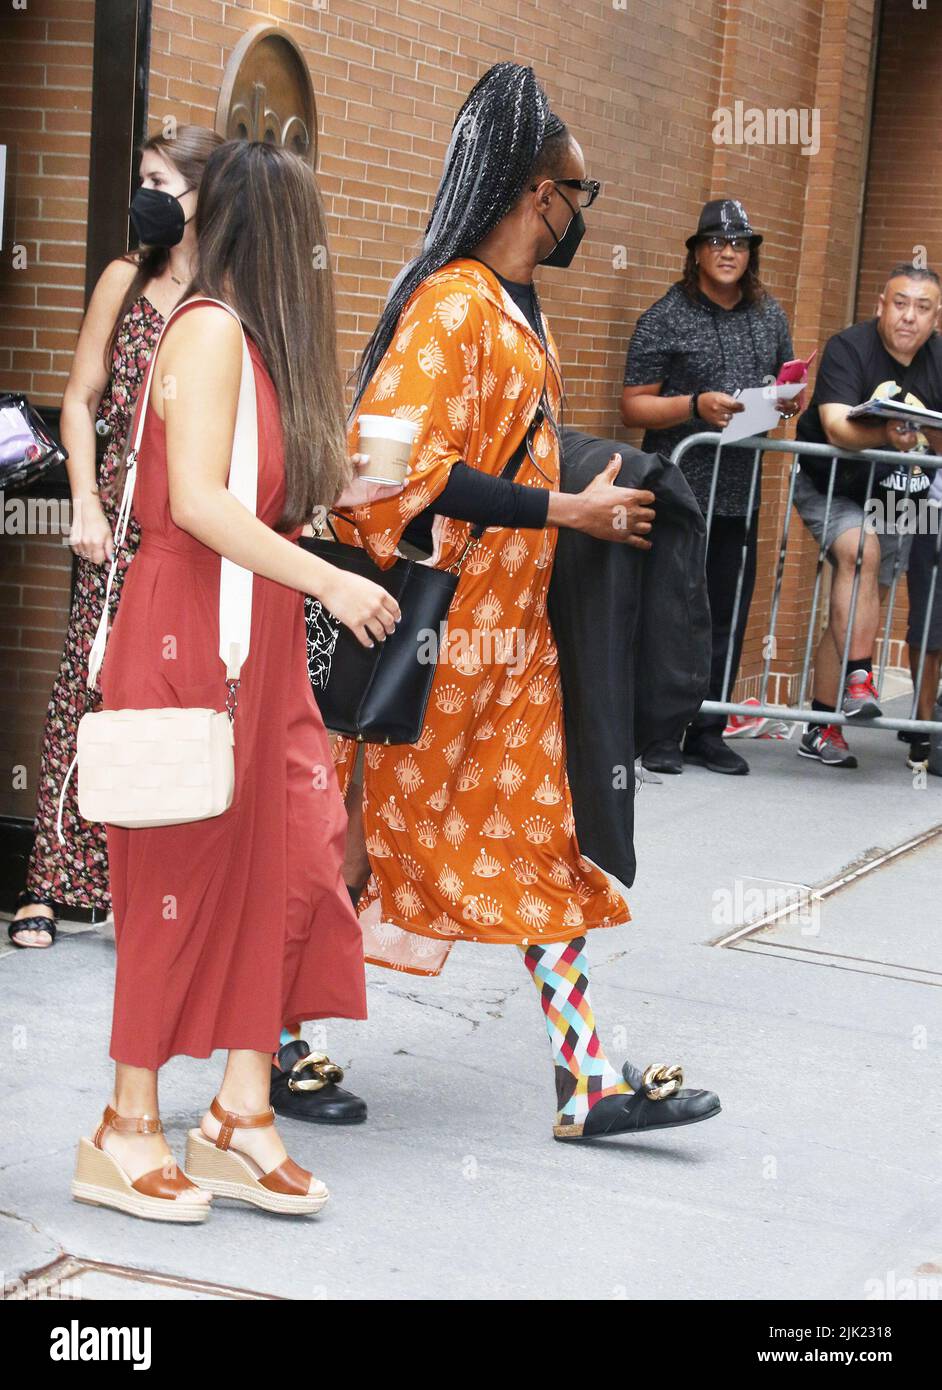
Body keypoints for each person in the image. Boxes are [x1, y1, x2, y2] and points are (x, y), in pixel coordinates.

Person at [331, 63, 721, 1144]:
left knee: (543, 849)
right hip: (439, 642)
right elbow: (406, 472)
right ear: (535, 193)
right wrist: (566, 511)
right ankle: (257, 1050)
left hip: (508, 651)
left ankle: (588, 1078)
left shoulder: (516, 310)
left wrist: (592, 494)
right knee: (354, 849)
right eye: (579, 193)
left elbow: (521, 451)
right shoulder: (450, 306)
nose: (581, 214)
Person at [71, 140, 400, 1223]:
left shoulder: (256, 345)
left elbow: (251, 495)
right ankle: (124, 1127)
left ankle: (240, 1115)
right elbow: (203, 505)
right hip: (188, 629)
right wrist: (330, 584)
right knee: (180, 868)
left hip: (248, 637)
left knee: (292, 862)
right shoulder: (208, 330)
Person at [8, 126, 221, 950]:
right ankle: (51, 883)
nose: (148, 195)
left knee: (177, 702)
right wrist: (85, 504)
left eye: (163, 180)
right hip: (118, 527)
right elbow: (79, 399)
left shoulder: (234, 294)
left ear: (206, 196)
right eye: (144, 179)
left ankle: (159, 893)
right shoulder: (125, 280)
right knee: (88, 690)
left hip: (198, 531)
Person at [621, 198, 797, 776]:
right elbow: (633, 406)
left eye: (740, 244)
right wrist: (695, 405)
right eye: (718, 243)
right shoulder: (666, 315)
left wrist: (788, 401)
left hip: (740, 492)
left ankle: (708, 729)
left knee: (726, 610)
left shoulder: (769, 316)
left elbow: (789, 387)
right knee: (672, 610)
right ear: (696, 252)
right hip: (678, 489)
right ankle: (661, 732)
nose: (729, 252)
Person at [793, 263, 942, 768]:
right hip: (830, 482)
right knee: (860, 551)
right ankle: (860, 677)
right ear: (881, 305)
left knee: (859, 597)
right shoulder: (850, 347)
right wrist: (889, 436)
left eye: (922, 308)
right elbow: (836, 428)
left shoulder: (939, 358)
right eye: (900, 304)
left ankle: (821, 726)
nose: (909, 317)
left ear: (935, 317)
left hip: (897, 496)